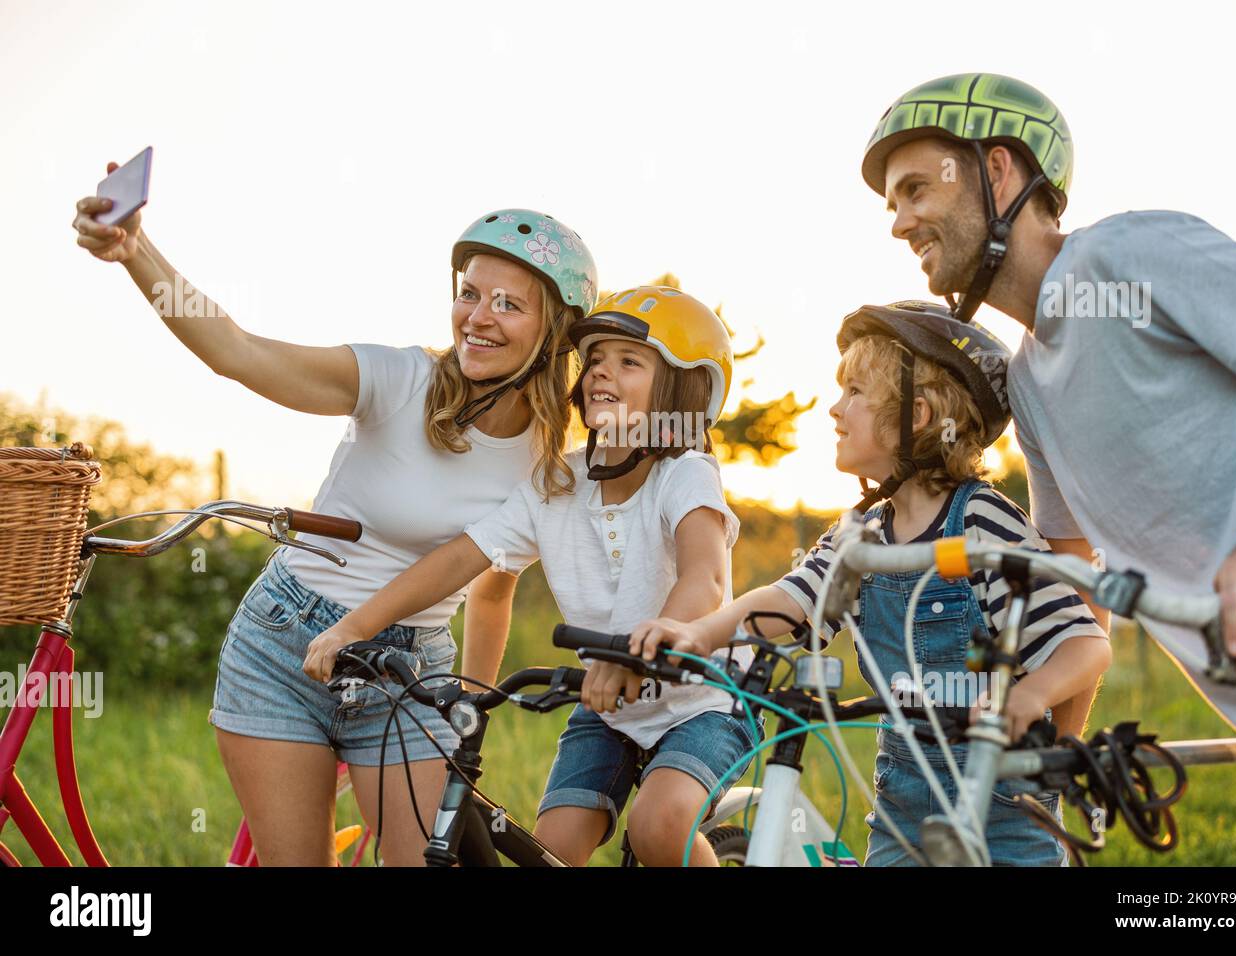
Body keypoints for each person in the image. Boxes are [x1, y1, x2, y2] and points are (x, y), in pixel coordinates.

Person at [71, 182, 598, 865]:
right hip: (284, 645)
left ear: (554, 330)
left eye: (508, 304)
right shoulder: (397, 379)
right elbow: (239, 352)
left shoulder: (542, 465)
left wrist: (472, 714)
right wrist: (136, 251)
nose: (478, 317)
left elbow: (493, 590)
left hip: (410, 671)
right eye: (469, 293)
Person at [860, 73, 1236, 855]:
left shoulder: (1122, 257)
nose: (899, 222)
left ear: (996, 172)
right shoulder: (1029, 384)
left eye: (917, 189)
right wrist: (1052, 762)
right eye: (892, 204)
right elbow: (1072, 577)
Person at [629, 300, 1110, 866]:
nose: (835, 409)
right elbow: (794, 599)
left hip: (1001, 824)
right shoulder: (862, 533)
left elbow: (1085, 645)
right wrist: (701, 633)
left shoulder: (982, 522)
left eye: (855, 392)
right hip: (899, 821)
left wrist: (1027, 697)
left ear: (921, 415)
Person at [304, 286, 760, 866]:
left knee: (659, 826)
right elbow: (459, 559)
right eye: (594, 359)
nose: (600, 373)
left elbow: (705, 582)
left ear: (685, 388)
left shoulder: (685, 474)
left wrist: (630, 653)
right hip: (607, 708)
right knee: (553, 853)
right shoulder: (557, 485)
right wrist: (354, 626)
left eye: (628, 361)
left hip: (703, 702)